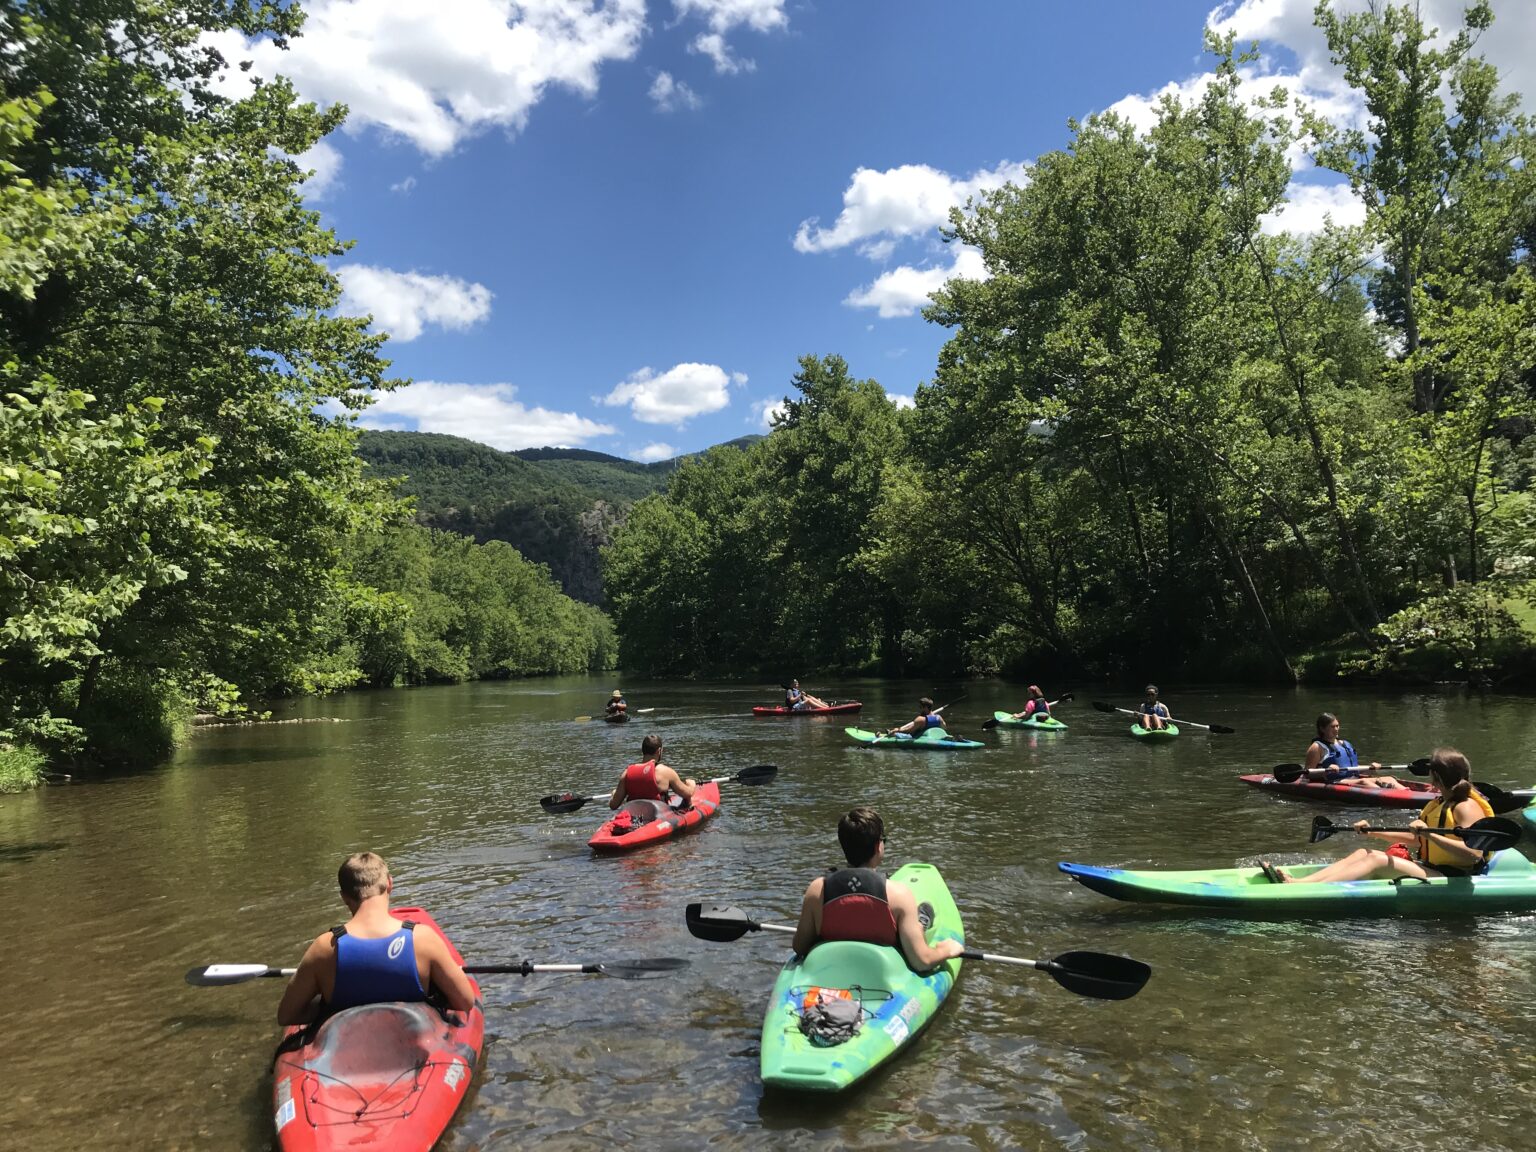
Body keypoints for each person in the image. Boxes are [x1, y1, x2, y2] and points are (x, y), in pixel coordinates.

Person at [276, 852, 477, 1027]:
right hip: (410, 1048)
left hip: (347, 1055)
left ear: (344, 897)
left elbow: (287, 1015)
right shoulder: (423, 939)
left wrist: (327, 1007)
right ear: (390, 884)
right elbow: (465, 1002)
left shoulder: (324, 947)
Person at [1263, 748, 1496, 884]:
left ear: (1436, 776)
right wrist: (1373, 831)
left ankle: (1300, 889)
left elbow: (1472, 856)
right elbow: (1417, 840)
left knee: (1377, 860)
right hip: (1433, 866)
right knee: (1365, 852)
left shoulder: (1466, 806)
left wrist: (1430, 835)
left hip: (1454, 877)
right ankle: (1301, 883)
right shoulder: (1441, 802)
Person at [791, 807, 964, 971]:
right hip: (882, 972)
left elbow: (799, 947)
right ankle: (918, 924)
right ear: (877, 846)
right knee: (915, 924)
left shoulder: (817, 890)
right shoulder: (898, 894)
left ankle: (918, 922)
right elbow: (922, 961)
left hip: (833, 966)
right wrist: (946, 950)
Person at [1300, 712, 1403, 790]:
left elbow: (1353, 768)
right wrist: (1326, 770)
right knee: (1364, 782)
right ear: (1322, 729)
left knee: (1389, 779)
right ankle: (1389, 797)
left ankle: (1410, 795)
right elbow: (1308, 773)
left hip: (1353, 778)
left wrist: (1370, 768)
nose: (1336, 729)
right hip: (1335, 781)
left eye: (1337, 726)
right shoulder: (1316, 747)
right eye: (1332, 727)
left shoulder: (1345, 744)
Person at [608, 734, 697, 809]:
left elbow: (613, 805)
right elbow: (687, 794)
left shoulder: (626, 773)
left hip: (635, 817)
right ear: (659, 751)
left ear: (643, 751)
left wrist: (614, 794)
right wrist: (691, 784)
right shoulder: (665, 772)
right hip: (658, 817)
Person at [883, 696, 949, 737]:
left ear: (925, 707)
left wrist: (898, 730)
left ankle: (886, 734)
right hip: (933, 736)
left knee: (897, 734)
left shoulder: (920, 719)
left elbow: (909, 731)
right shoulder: (939, 718)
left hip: (918, 737)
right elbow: (944, 728)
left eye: (920, 707)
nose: (919, 708)